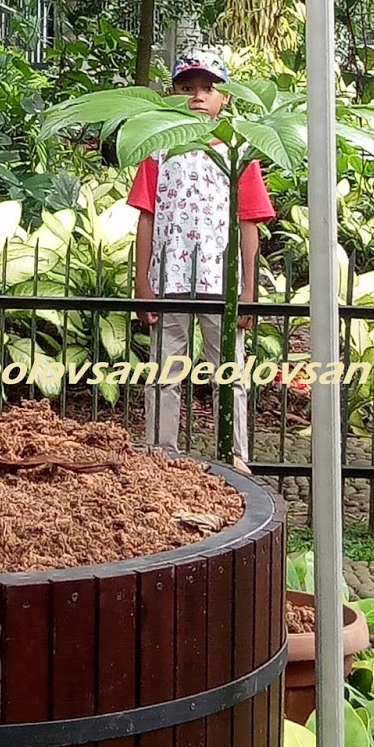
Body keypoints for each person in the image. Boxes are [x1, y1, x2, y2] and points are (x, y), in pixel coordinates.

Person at [127, 51, 275, 473]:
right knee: (164, 371)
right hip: (169, 278)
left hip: (221, 282)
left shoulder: (239, 151)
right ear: (173, 92)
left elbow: (249, 221)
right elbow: (147, 216)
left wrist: (248, 288)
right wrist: (143, 282)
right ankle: (161, 454)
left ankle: (235, 454)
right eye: (187, 88)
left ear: (224, 98)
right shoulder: (157, 148)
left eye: (208, 89)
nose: (198, 97)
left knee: (229, 371)